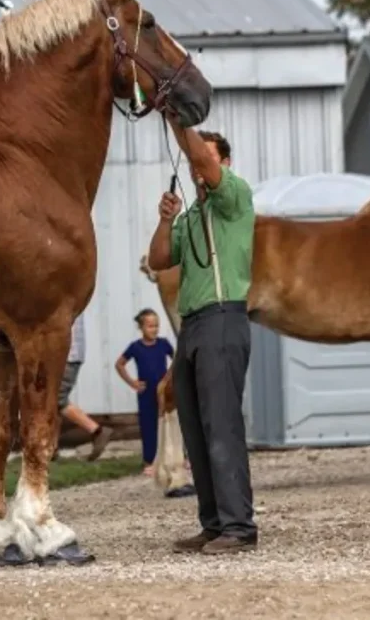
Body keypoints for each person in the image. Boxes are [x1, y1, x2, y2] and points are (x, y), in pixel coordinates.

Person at [146, 121, 258, 556]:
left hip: (222, 317)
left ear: (224, 163)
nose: (195, 169)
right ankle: (214, 524)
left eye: (205, 160)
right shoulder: (193, 215)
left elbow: (203, 159)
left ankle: (240, 526)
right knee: (195, 427)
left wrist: (179, 121)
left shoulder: (235, 197)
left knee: (222, 425)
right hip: (192, 324)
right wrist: (165, 220)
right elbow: (159, 257)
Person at [115, 308, 174, 476]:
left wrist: (169, 379)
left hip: (163, 392)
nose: (154, 329)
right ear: (141, 327)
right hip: (146, 392)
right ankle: (149, 461)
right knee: (148, 426)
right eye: (150, 326)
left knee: (168, 424)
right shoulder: (135, 347)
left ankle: (173, 458)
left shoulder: (164, 344)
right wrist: (132, 382)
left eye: (156, 326)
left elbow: (176, 359)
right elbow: (119, 364)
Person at [56, 313, 114, 462]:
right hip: (68, 354)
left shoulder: (66, 295)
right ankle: (50, 447)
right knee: (49, 400)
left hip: (67, 354)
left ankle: (97, 431)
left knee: (58, 399)